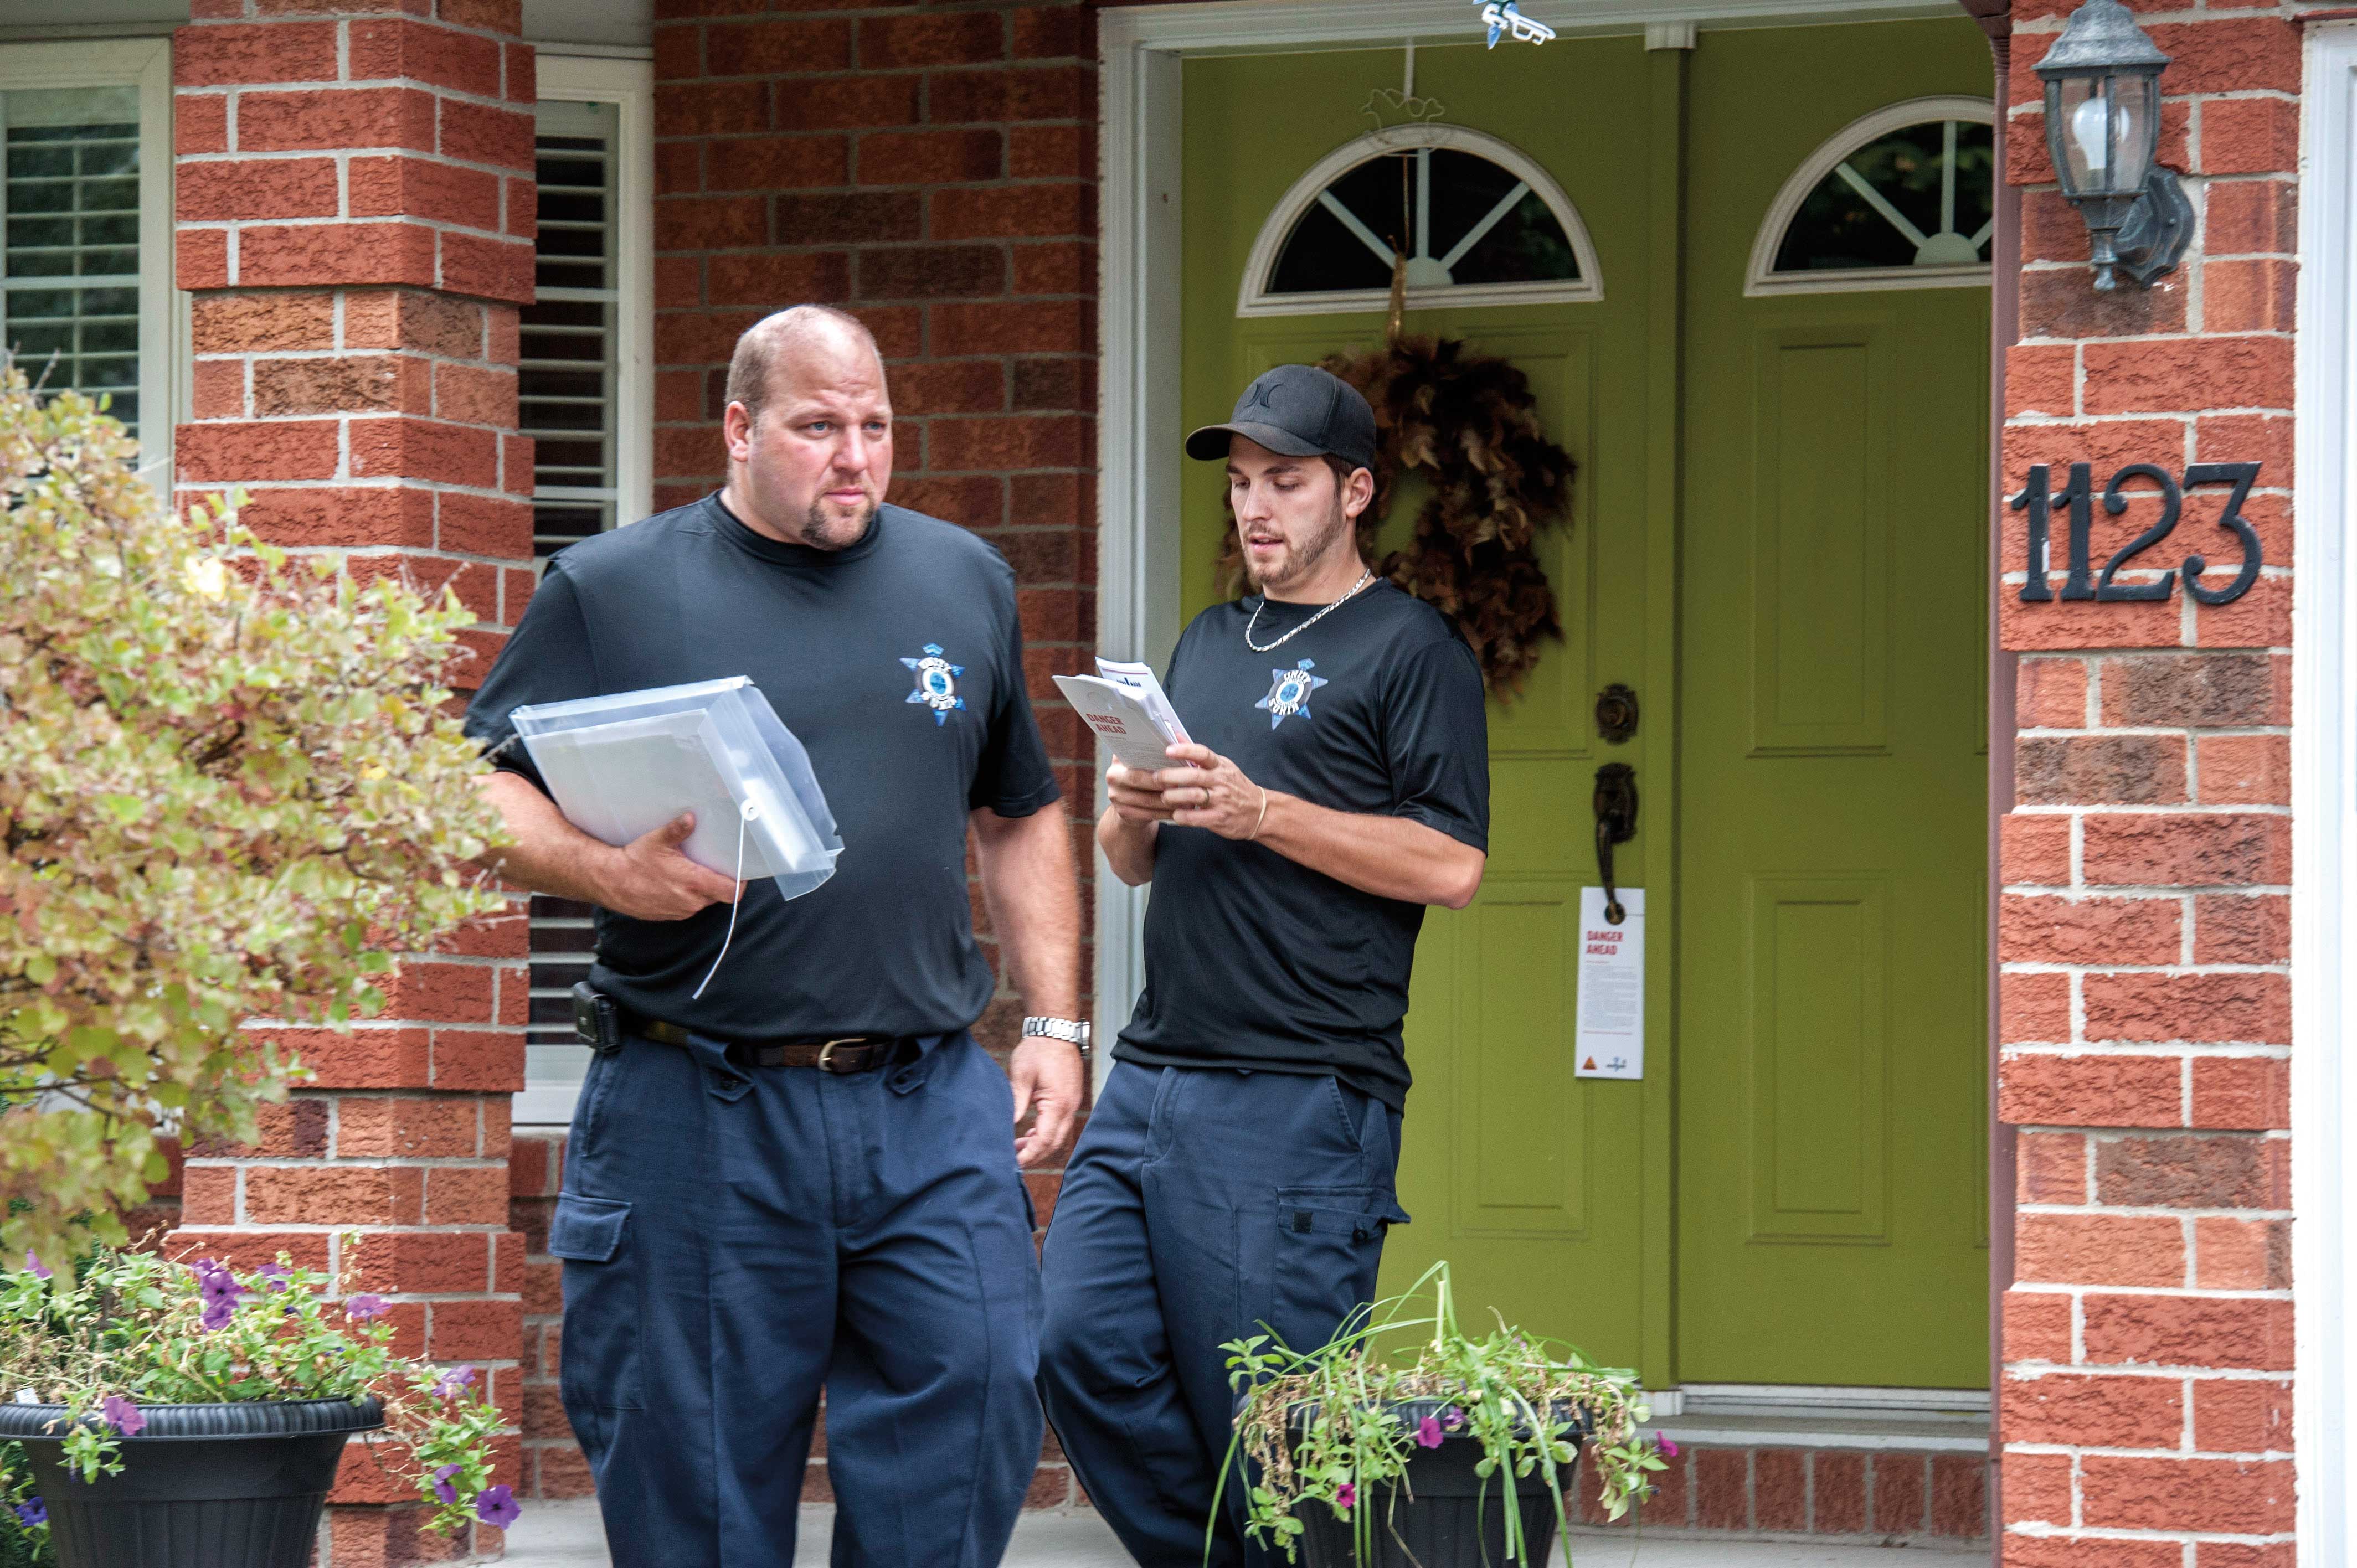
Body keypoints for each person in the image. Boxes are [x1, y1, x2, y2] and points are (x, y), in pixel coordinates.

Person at [464, 306, 1088, 1568]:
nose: (853, 455)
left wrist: (1059, 1024)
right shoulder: (617, 588)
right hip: (696, 1102)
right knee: (692, 1492)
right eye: (818, 427)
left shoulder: (962, 580)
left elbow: (1018, 811)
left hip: (923, 1100)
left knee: (972, 1411)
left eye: (874, 427)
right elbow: (472, 785)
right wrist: (601, 871)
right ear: (740, 430)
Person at [1036, 364, 1491, 1566]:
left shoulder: (1411, 650)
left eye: (1283, 482)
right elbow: (1134, 865)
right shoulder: (1206, 638)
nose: (1253, 508)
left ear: (1353, 491)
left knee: (1278, 1423)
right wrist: (1128, 810)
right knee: (1074, 1340)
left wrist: (1262, 814)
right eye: (1240, 484)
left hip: (1300, 1092)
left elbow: (1449, 866)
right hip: (1155, 1075)